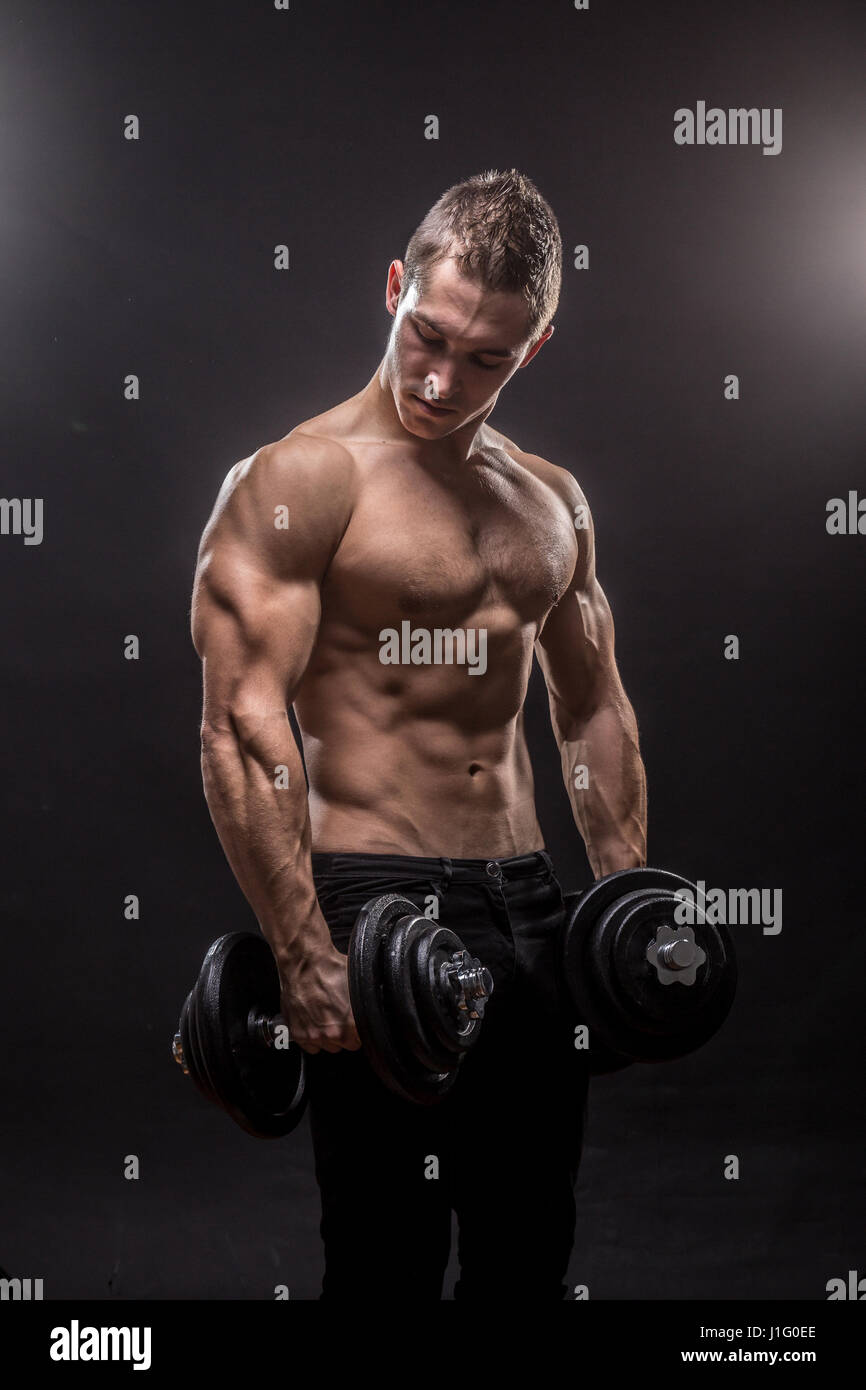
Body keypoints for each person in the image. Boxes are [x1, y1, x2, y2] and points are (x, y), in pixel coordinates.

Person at [190, 168, 647, 1300]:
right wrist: (300, 950)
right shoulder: (300, 480)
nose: (441, 379)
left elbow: (589, 703)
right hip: (372, 902)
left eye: (484, 357)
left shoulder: (550, 500)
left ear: (533, 346)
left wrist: (627, 908)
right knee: (385, 1257)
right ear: (394, 287)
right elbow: (242, 724)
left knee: (528, 1246)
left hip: (530, 907)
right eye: (424, 333)